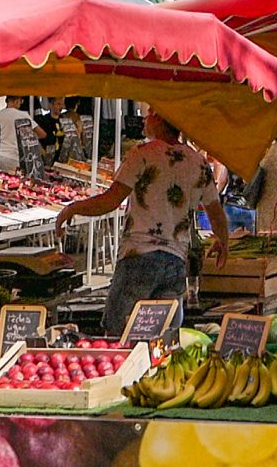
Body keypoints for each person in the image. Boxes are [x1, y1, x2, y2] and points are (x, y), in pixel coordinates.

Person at [53, 111, 228, 335]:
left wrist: (72, 208)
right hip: (175, 261)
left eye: (151, 113)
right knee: (164, 338)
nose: (146, 117)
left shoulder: (143, 154)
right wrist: (223, 242)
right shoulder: (198, 162)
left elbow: (111, 200)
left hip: (139, 258)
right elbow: (215, 211)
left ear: (161, 120)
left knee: (120, 334)